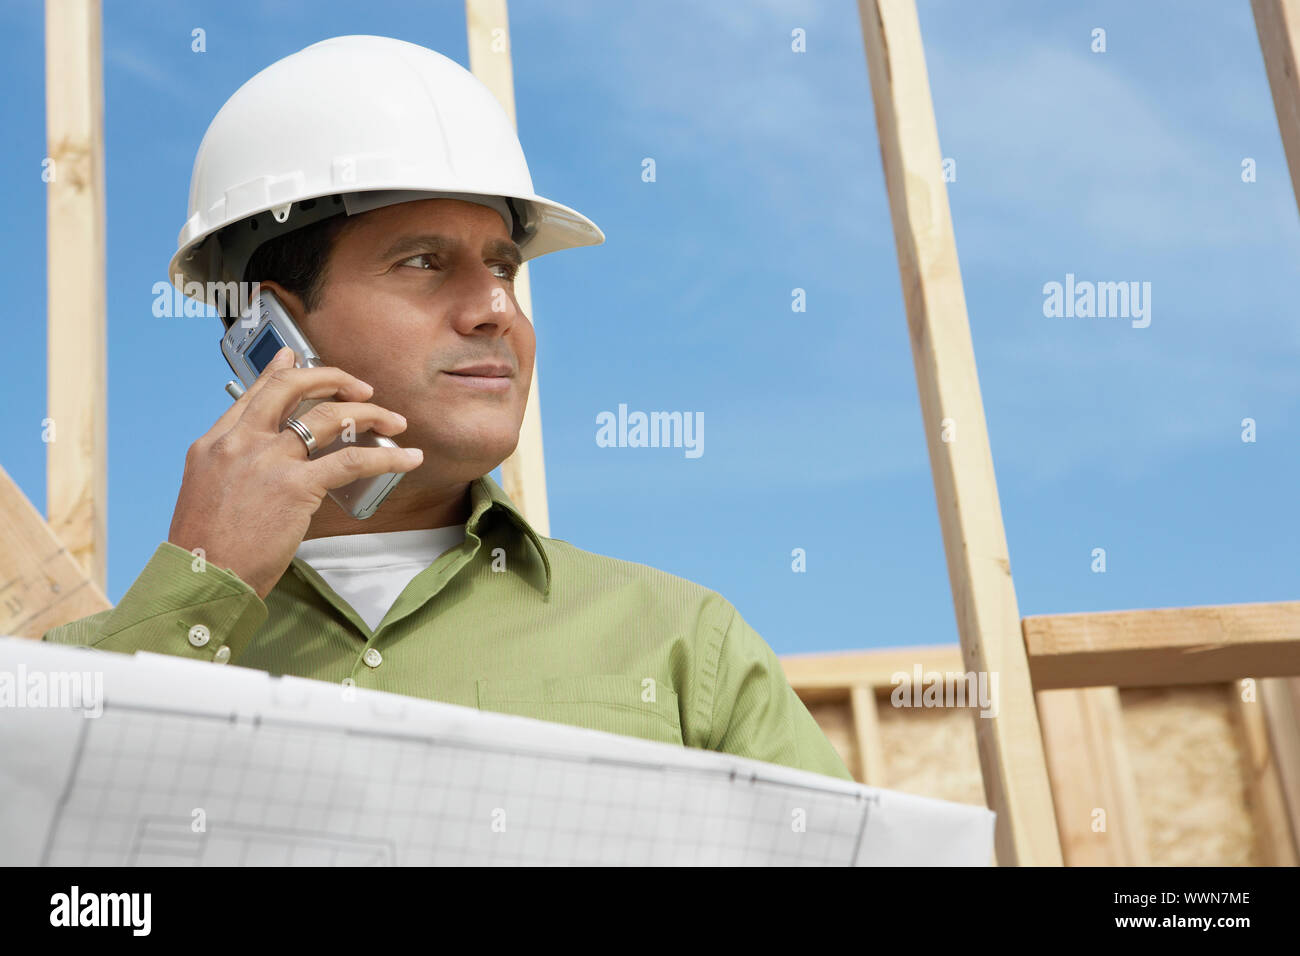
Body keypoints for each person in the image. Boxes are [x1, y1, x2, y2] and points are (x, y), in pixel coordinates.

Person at [42, 35, 852, 783]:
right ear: (272, 330)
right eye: (425, 263)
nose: (495, 309)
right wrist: (198, 593)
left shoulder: (683, 645)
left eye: (506, 269)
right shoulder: (70, 677)